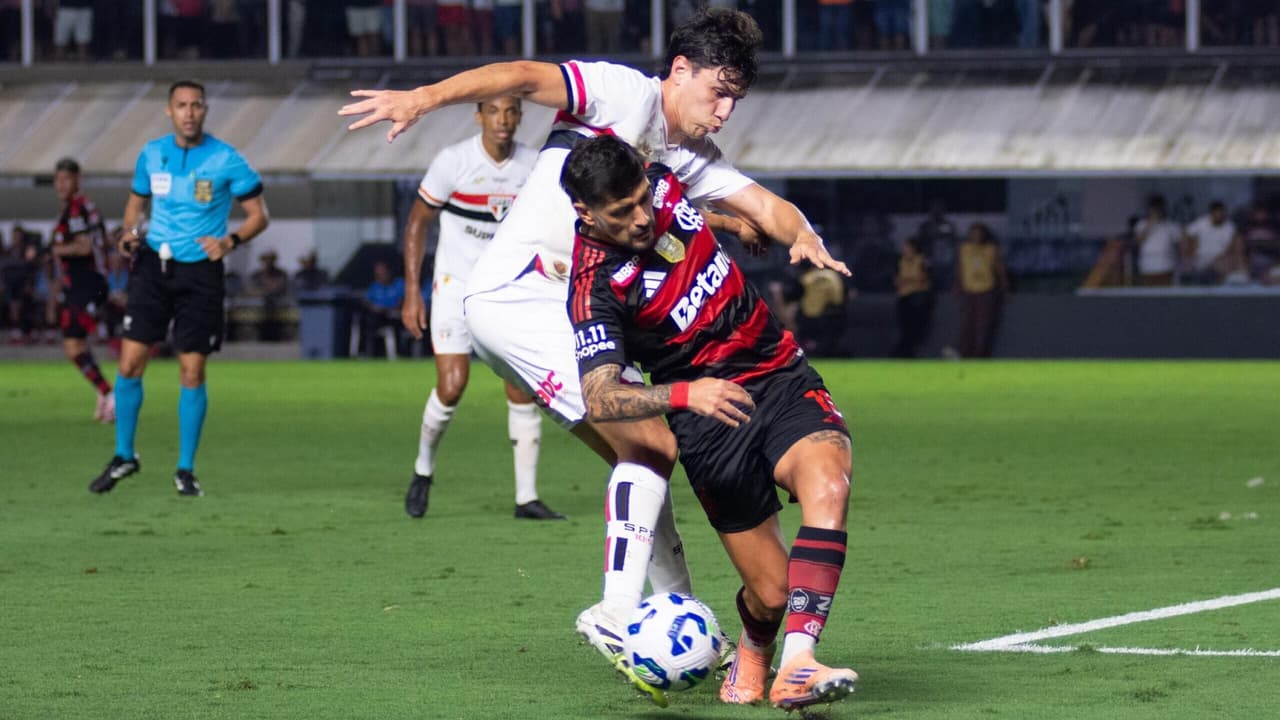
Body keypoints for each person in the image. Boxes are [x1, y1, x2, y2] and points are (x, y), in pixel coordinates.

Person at [339, 8, 848, 705]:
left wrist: (802, 234)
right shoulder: (622, 94)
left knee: (641, 459)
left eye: (737, 98)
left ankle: (680, 618)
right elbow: (523, 76)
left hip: (560, 309)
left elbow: (764, 204)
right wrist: (422, 99)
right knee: (653, 442)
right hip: (521, 297)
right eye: (718, 92)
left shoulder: (685, 157)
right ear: (680, 71)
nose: (726, 111)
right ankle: (615, 612)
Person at [562, 135, 858, 710]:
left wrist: (741, 225)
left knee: (829, 485)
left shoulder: (660, 177)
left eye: (643, 199)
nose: (643, 217)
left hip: (777, 373)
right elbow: (599, 398)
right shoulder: (593, 286)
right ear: (586, 213)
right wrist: (684, 393)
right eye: (623, 213)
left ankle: (798, 662)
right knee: (772, 593)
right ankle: (754, 645)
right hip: (709, 416)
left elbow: (708, 206)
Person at [89, 80, 269, 497]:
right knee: (129, 364)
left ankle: (185, 469)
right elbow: (136, 205)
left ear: (205, 110)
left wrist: (230, 241)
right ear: (169, 111)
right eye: (182, 105)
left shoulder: (226, 159)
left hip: (201, 273)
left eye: (196, 105)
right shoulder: (152, 154)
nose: (189, 112)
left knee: (192, 370)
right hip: (154, 268)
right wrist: (130, 233)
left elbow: (259, 215)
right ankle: (124, 455)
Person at [399, 96, 561, 521]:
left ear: (520, 117)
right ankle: (423, 470)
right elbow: (417, 222)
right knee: (452, 386)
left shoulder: (534, 165)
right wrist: (413, 291)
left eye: (510, 111)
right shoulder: (453, 162)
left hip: (508, 292)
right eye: (493, 111)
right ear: (479, 116)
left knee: (522, 387)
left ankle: (526, 498)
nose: (502, 120)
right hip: (454, 288)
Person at [49, 157, 114, 422]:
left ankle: (109, 393)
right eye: (58, 179)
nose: (61, 184)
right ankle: (104, 393)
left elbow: (84, 246)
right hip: (84, 284)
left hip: (85, 284)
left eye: (66, 179)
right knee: (78, 344)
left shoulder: (76, 209)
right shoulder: (85, 207)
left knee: (73, 346)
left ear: (78, 180)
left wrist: (54, 249)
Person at [952, 222, 1007, 358]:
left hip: (986, 291)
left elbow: (1000, 270)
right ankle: (965, 354)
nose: (976, 236)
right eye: (973, 233)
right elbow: (960, 268)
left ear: (984, 235)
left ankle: (981, 355)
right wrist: (957, 286)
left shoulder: (991, 249)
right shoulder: (964, 248)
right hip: (969, 291)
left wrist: (1005, 287)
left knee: (984, 326)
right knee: (967, 324)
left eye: (979, 233)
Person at [1181, 201, 1246, 285]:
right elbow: (1185, 234)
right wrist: (1188, 252)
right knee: (1187, 266)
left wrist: (1225, 256)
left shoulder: (1230, 226)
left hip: (1219, 260)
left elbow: (1232, 245)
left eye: (1221, 212)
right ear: (1211, 213)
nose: (1219, 215)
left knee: (1231, 263)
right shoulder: (1201, 223)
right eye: (1217, 212)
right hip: (1200, 258)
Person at [892, 236, 933, 358]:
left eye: (907, 247)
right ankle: (905, 352)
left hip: (918, 298)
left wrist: (908, 280)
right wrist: (909, 280)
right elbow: (896, 280)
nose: (904, 250)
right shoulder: (900, 261)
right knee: (905, 327)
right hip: (904, 297)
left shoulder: (923, 261)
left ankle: (911, 352)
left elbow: (926, 278)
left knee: (916, 328)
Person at [1134, 195, 1180, 286]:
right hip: (1147, 267)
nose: (1156, 212)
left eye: (1159, 209)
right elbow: (1139, 241)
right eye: (1154, 209)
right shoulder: (1141, 225)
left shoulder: (1171, 226)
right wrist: (1150, 223)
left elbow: (1178, 246)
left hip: (1166, 266)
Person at [246, 250, 290, 340]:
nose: (268, 262)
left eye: (271, 259)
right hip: (259, 306)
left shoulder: (280, 274)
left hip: (277, 304)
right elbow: (250, 290)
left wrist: (268, 290)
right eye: (266, 259)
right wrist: (264, 291)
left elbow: (281, 287)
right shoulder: (256, 275)